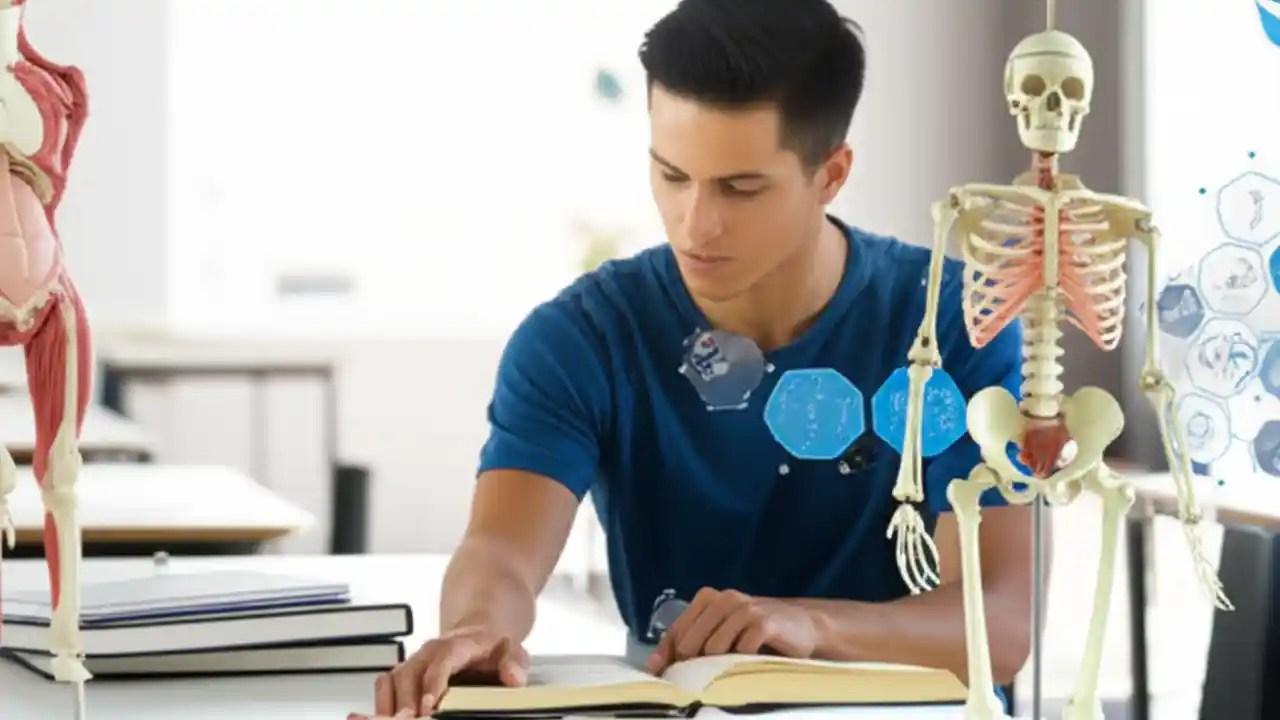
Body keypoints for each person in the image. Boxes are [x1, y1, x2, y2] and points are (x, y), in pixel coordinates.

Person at [359, 0, 1034, 717]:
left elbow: (1004, 620)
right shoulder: (582, 337)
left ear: (831, 175)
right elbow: (500, 553)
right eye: (671, 175)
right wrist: (474, 632)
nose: (695, 223)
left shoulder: (958, 321)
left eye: (740, 188)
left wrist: (811, 623)